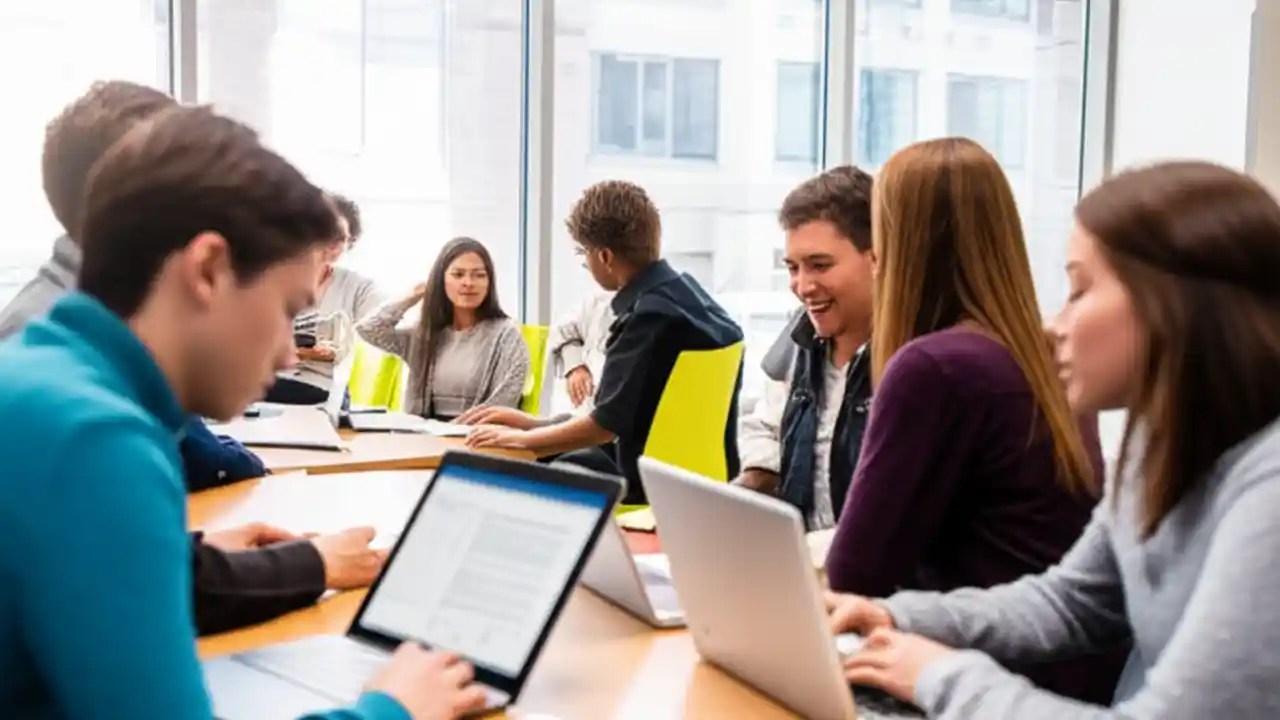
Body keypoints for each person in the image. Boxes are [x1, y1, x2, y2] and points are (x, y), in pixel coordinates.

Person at [0, 105, 485, 718]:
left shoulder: (35, 379)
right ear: (207, 270)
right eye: (287, 308)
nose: (288, 354)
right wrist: (392, 708)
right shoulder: (98, 442)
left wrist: (174, 553)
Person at [828, 160, 1280, 719]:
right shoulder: (1157, 442)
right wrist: (900, 619)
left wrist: (939, 675)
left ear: (1171, 305)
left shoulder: (1269, 484)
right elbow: (1072, 602)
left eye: (1079, 289)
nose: (1053, 324)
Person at [0, 80, 381, 636]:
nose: (284, 354)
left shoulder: (55, 352)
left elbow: (90, 570)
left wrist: (183, 553)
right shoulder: (93, 418)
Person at [823, 138, 1117, 702]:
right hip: (1068, 677)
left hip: (984, 676)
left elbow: (853, 573)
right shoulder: (1040, 352)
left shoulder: (935, 366)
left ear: (896, 248)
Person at [460, 180, 744, 504]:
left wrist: (524, 439)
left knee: (510, 469)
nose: (586, 264)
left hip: (641, 482)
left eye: (585, 254)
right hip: (691, 477)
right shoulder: (694, 302)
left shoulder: (647, 320)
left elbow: (604, 427)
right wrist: (533, 424)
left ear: (605, 256)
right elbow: (626, 413)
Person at [734, 166, 875, 531]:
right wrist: (747, 486)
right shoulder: (801, 336)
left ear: (877, 259)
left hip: (862, 578)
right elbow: (765, 426)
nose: (802, 286)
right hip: (799, 560)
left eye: (819, 265)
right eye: (793, 268)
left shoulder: (913, 359)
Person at [356, 236, 529, 419]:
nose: (468, 283)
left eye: (479, 275)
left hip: (476, 438)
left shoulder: (506, 334)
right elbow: (369, 330)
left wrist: (452, 432)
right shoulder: (424, 335)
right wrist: (412, 296)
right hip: (425, 436)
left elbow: (505, 402)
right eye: (458, 274)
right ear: (440, 280)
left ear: (489, 282)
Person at [267, 192, 386, 405]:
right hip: (269, 384)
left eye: (341, 238)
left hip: (324, 388)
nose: (332, 245)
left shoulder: (358, 287)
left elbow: (382, 323)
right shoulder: (270, 279)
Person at [547, 290, 615, 414]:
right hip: (583, 412)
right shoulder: (599, 299)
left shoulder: (650, 310)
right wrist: (575, 365)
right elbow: (564, 330)